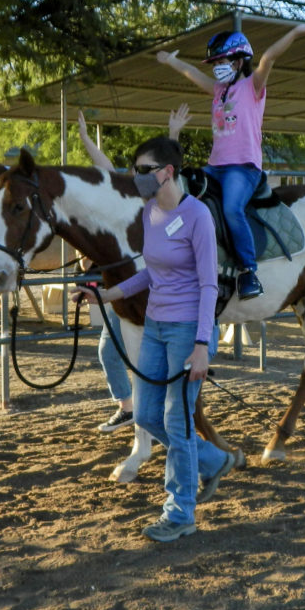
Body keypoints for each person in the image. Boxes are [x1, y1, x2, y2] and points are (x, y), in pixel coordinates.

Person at [73, 134, 234, 543]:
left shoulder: (197, 216)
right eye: (134, 171)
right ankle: (213, 459)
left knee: (176, 424)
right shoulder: (149, 214)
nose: (137, 177)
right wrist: (108, 293)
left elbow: (209, 284)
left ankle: (179, 513)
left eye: (143, 171)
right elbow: (151, 272)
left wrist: (201, 345)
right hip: (157, 326)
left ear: (167, 172)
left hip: (187, 331)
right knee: (146, 415)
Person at [157, 22, 305, 299]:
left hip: (243, 168)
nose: (217, 66)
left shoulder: (252, 87)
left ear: (238, 61)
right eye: (215, 62)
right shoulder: (219, 91)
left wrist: (295, 33)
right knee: (182, 190)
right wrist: (172, 62)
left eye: (222, 61)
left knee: (232, 209)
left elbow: (269, 57)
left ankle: (248, 272)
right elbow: (192, 72)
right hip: (215, 165)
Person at [76, 105, 196, 434]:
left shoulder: (167, 199)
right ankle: (128, 409)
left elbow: (174, 173)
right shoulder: (131, 192)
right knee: (107, 351)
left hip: (154, 292)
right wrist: (86, 140)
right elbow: (105, 168)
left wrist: (173, 135)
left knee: (150, 361)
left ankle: (154, 419)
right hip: (128, 286)